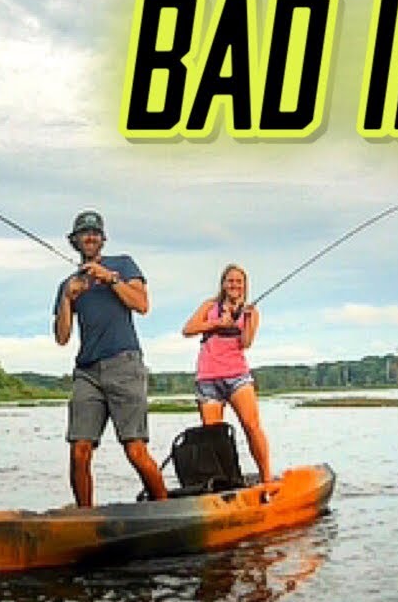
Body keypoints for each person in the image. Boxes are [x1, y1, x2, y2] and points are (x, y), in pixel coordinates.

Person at [53, 210, 168, 507]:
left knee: (135, 450)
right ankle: (84, 518)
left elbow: (142, 304)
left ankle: (165, 508)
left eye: (95, 233)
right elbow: (62, 337)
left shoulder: (123, 264)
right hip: (87, 372)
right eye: (84, 233)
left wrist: (111, 279)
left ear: (102, 239)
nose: (90, 237)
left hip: (124, 364)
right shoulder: (68, 284)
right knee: (79, 450)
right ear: (75, 241)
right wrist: (67, 298)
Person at [181, 264, 272, 484]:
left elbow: (246, 343)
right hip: (208, 377)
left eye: (239, 282)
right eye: (230, 281)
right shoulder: (210, 306)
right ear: (223, 284)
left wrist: (248, 319)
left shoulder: (251, 312)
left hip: (237, 376)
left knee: (251, 425)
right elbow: (188, 330)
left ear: (244, 286)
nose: (234, 285)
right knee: (212, 437)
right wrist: (216, 323)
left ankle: (267, 477)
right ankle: (222, 481)